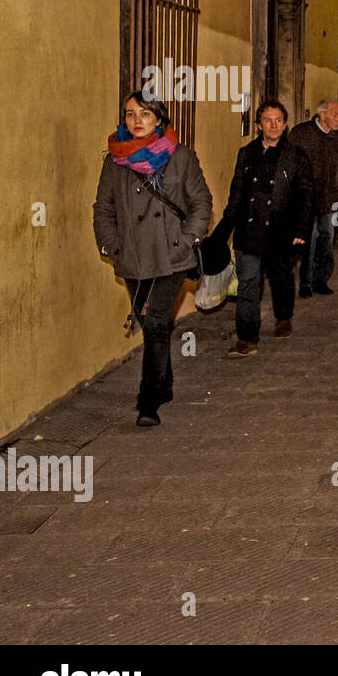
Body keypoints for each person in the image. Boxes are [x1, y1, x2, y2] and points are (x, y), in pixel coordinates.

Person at [93, 90, 213, 427]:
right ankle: (165, 384)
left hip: (171, 255)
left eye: (145, 114)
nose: (137, 121)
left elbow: (201, 202)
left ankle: (148, 401)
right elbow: (103, 209)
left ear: (159, 119)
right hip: (132, 256)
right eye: (130, 114)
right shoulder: (114, 161)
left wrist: (187, 240)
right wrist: (111, 246)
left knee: (157, 323)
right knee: (151, 325)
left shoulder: (181, 156)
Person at [215, 100, 314, 357]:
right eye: (268, 120)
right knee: (248, 284)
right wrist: (221, 233)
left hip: (280, 230)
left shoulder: (296, 156)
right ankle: (247, 338)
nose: (273, 125)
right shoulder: (246, 153)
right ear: (259, 125)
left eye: (278, 120)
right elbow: (235, 195)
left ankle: (283, 317)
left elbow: (306, 195)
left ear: (285, 123)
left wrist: (302, 230)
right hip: (249, 232)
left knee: (281, 277)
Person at [288, 98, 338, 297]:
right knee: (309, 240)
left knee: (327, 240)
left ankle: (321, 280)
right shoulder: (300, 134)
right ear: (322, 115)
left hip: (330, 199)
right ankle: (305, 283)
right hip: (306, 199)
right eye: (335, 114)